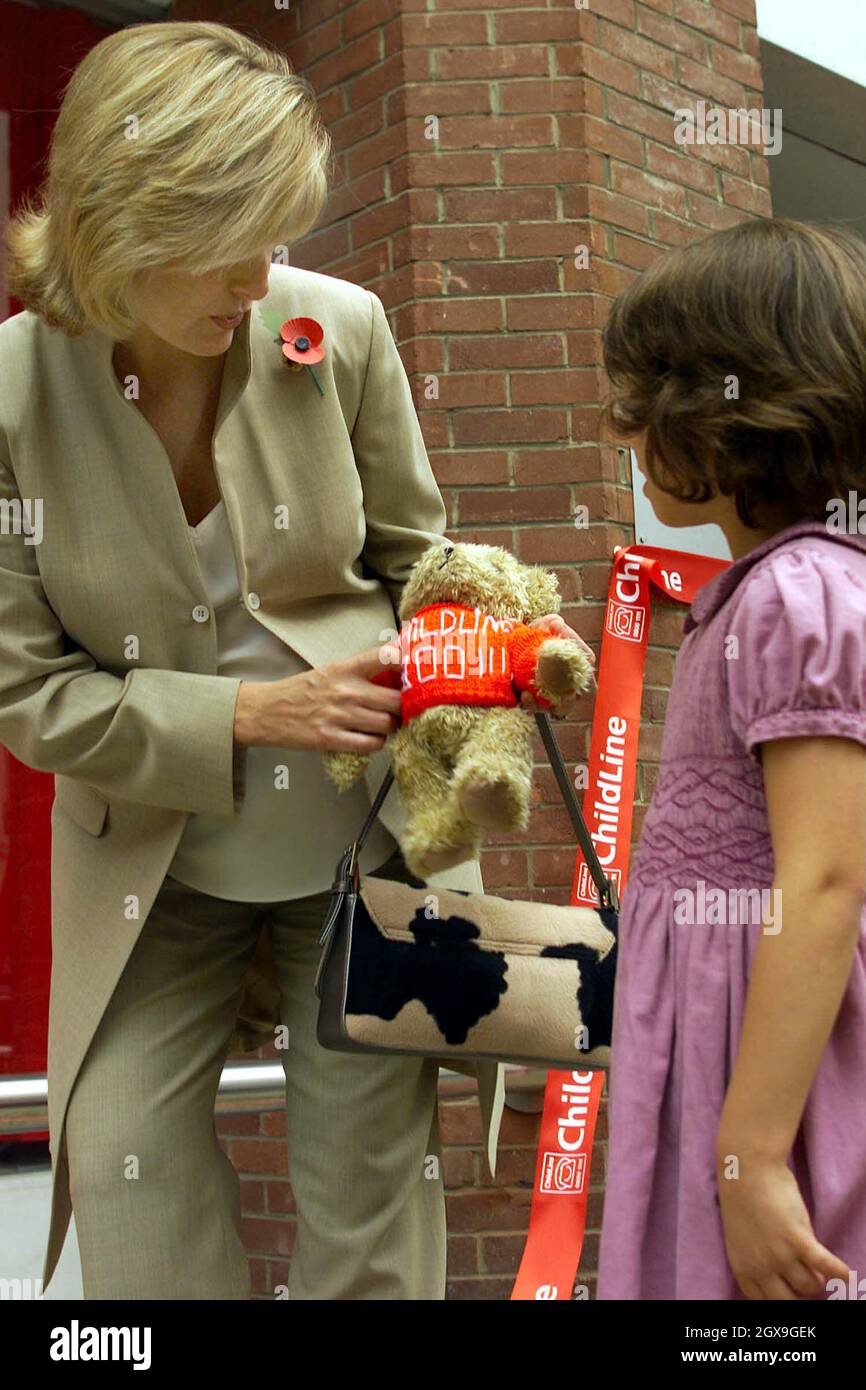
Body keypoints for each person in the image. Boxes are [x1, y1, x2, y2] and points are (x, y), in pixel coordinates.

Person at [0, 20, 581, 1300]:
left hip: (355, 841)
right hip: (151, 860)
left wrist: (484, 647)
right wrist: (251, 711)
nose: (264, 280)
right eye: (232, 244)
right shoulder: (13, 393)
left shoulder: (344, 329)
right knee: (124, 1165)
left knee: (369, 1202)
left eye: (281, 238)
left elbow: (416, 566)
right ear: (123, 223)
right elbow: (27, 690)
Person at [595, 218, 866, 1300]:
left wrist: (749, 1156)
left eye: (639, 400)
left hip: (764, 1087)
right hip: (725, 1057)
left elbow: (825, 878)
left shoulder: (796, 599)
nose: (623, 432)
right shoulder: (765, 595)